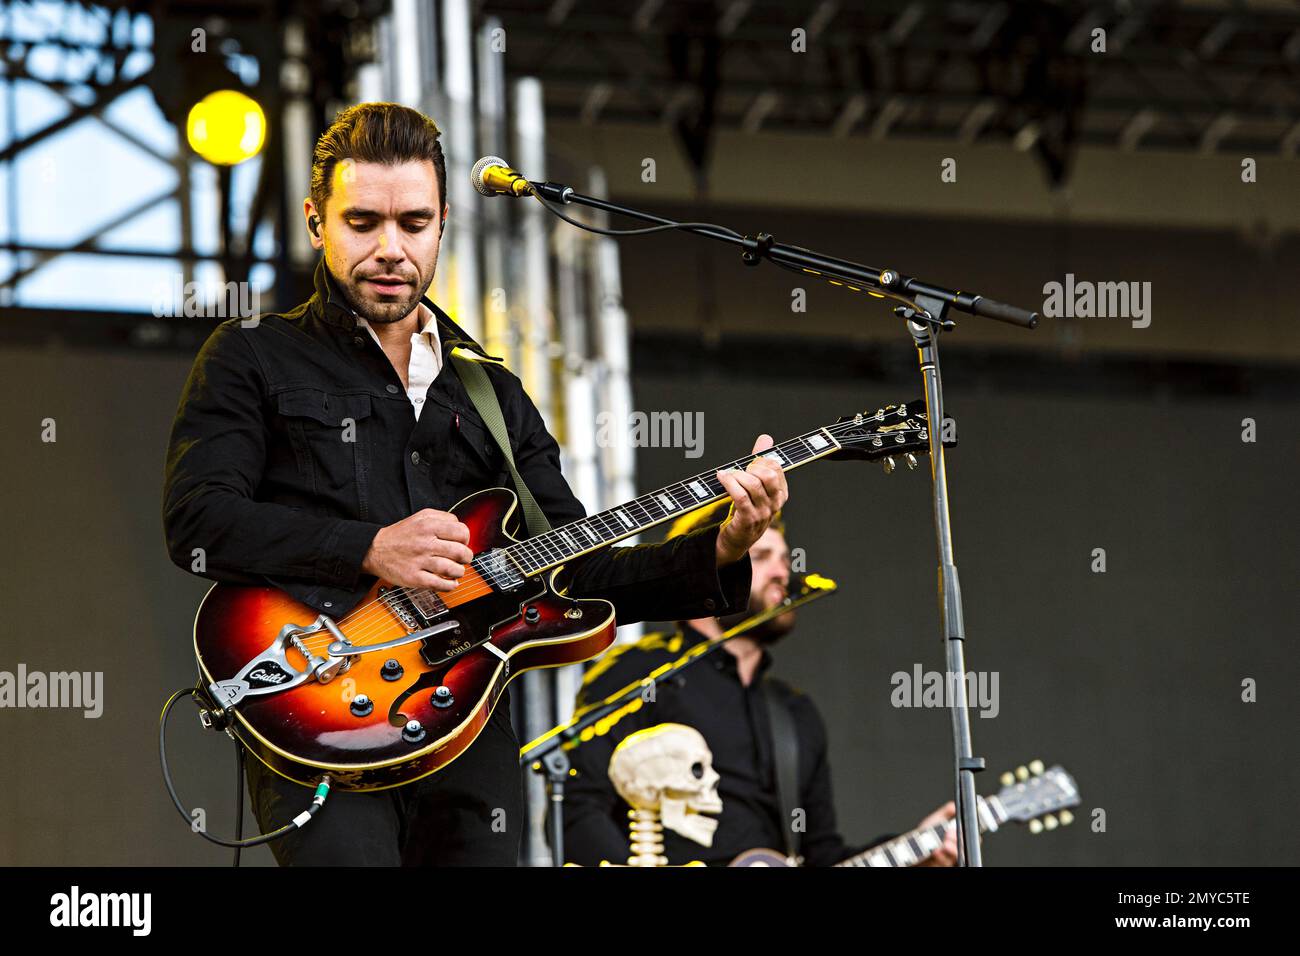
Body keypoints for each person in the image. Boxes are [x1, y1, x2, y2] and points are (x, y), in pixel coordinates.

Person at [162, 102, 787, 865]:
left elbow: (579, 566)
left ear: (445, 220)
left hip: (470, 728)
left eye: (414, 223)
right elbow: (198, 519)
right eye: (363, 222)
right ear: (316, 221)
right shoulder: (253, 355)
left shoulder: (490, 390)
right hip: (319, 697)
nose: (390, 248)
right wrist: (369, 548)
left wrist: (723, 547)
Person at [562, 502, 959, 867]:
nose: (783, 573)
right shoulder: (640, 673)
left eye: (785, 559)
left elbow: (821, 854)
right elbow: (577, 810)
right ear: (709, 570)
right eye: (763, 557)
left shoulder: (794, 714)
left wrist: (914, 851)